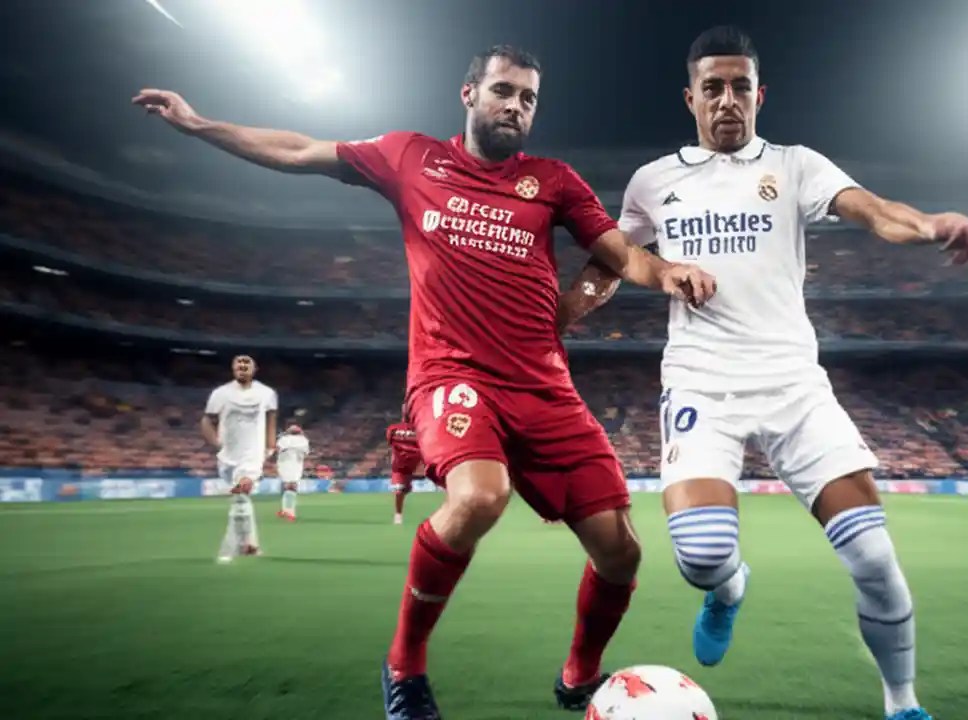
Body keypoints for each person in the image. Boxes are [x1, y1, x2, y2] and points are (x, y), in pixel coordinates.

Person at [134, 44, 715, 720]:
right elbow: (297, 150)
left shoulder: (552, 180)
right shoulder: (408, 158)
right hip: (452, 374)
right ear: (468, 93)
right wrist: (200, 124)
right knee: (479, 497)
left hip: (543, 386)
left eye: (528, 98)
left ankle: (578, 674)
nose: (515, 106)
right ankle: (404, 665)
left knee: (620, 552)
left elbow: (617, 255)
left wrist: (666, 271)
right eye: (503, 90)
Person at [614, 25, 968, 720]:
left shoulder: (795, 165)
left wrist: (929, 223)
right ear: (690, 97)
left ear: (759, 94)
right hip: (701, 384)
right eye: (713, 88)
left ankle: (902, 703)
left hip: (793, 387)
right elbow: (621, 253)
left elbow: (873, 212)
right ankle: (728, 589)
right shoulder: (653, 181)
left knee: (874, 558)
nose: (727, 100)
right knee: (700, 556)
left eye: (740, 87)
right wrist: (662, 270)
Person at [203, 355, 278, 563]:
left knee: (240, 495)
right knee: (242, 500)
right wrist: (216, 442)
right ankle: (251, 545)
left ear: (255, 369)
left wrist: (270, 445)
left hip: (252, 456)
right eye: (239, 363)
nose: (242, 367)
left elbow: (272, 417)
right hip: (228, 457)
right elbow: (207, 419)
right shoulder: (221, 393)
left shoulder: (266, 393)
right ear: (233, 368)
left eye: (247, 364)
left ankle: (229, 548)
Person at [387, 416, 423, 526]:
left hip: (417, 466)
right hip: (400, 468)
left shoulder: (421, 428)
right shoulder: (393, 429)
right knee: (399, 490)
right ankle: (398, 514)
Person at [275, 424, 309, 521]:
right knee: (292, 485)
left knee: (287, 485)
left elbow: (278, 449)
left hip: (284, 463)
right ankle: (288, 510)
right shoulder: (303, 440)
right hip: (296, 464)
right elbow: (306, 452)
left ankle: (287, 510)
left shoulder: (283, 439)